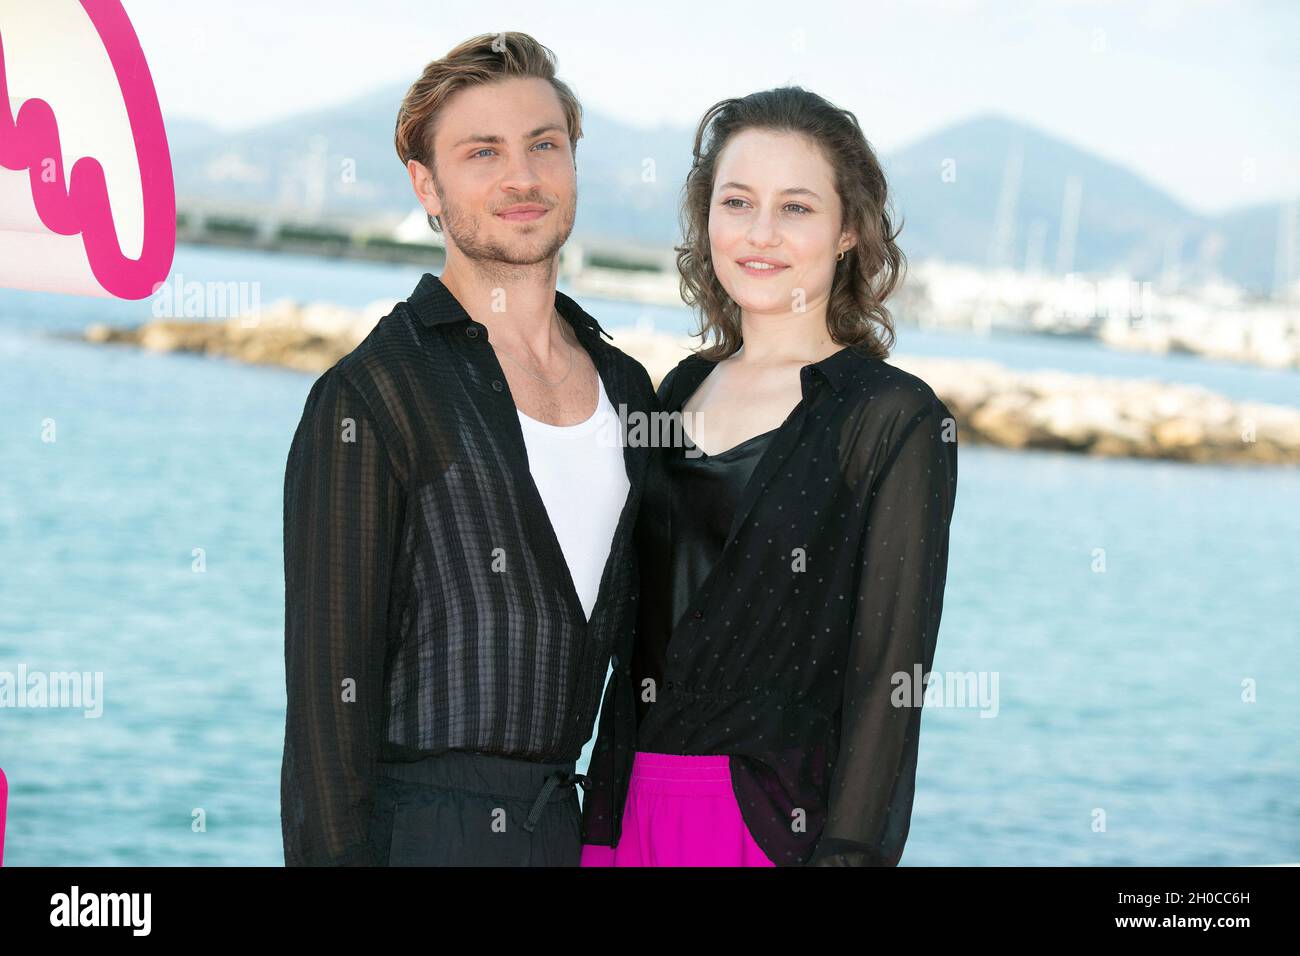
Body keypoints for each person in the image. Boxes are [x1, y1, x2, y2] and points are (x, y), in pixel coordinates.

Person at [280, 31, 654, 866]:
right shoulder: (373, 395)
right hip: (414, 837)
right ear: (428, 186)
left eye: (544, 146)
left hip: (567, 831)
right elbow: (323, 714)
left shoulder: (630, 391)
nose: (522, 177)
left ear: (572, 164)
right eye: (482, 152)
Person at [580, 87, 959, 866]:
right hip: (620, 812)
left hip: (770, 824)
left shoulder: (890, 416)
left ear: (849, 229)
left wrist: (850, 853)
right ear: (706, 217)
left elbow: (891, 672)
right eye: (737, 201)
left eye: (796, 208)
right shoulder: (678, 388)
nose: (760, 234)